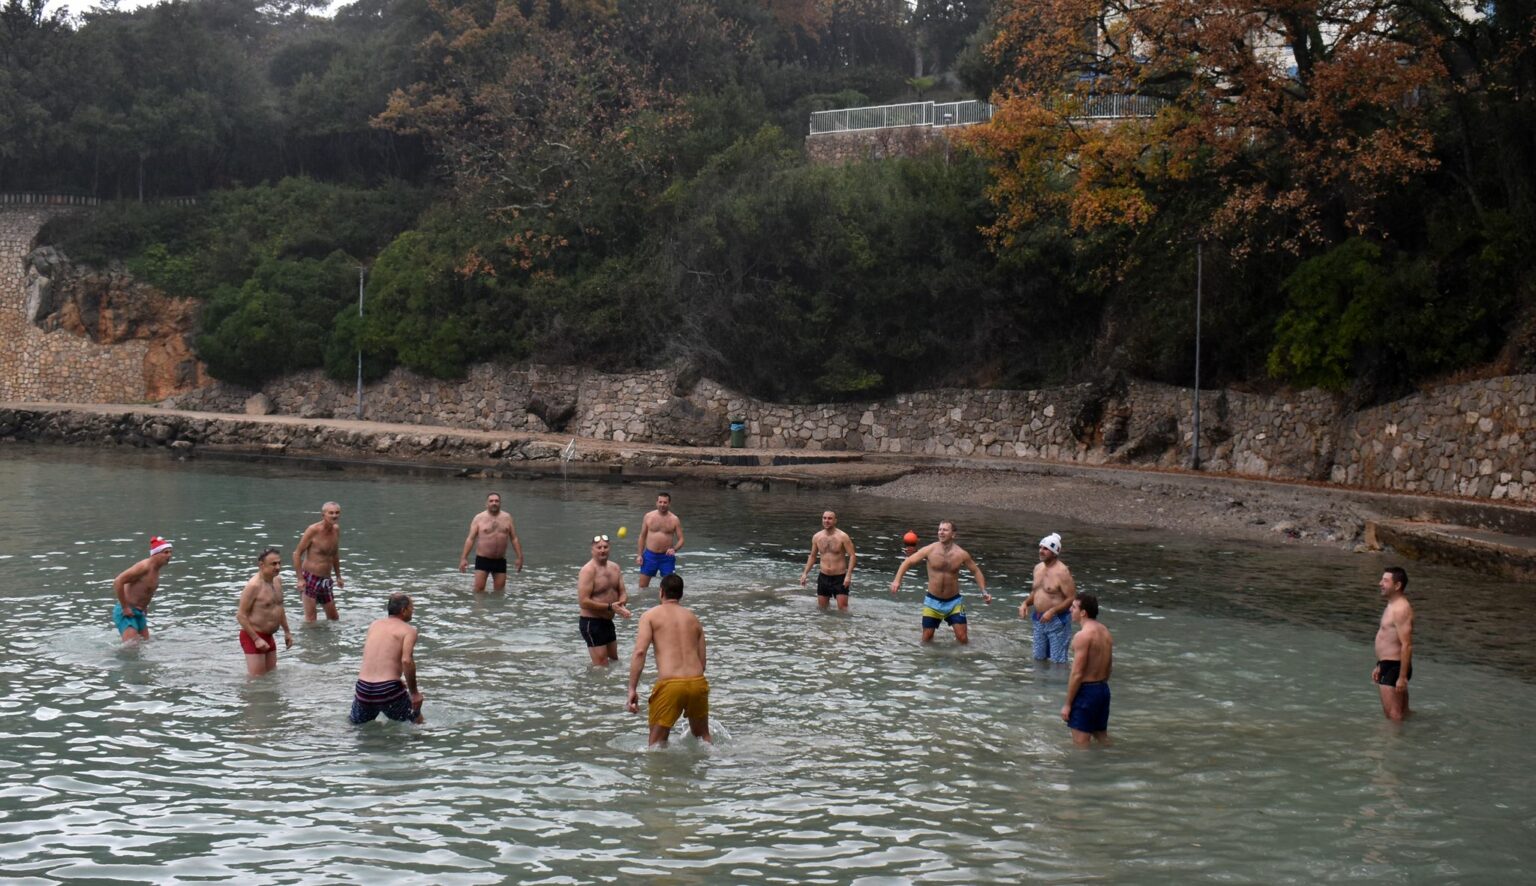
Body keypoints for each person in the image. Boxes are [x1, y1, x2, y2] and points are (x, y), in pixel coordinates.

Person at [626, 574, 710, 746]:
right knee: (703, 738)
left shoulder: (650, 616)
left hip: (671, 684)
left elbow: (640, 652)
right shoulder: (693, 618)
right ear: (681, 594)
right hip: (697, 682)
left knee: (656, 744)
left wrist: (632, 689)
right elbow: (702, 662)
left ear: (661, 592)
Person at [889, 520, 991, 644]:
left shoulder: (961, 554)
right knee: (926, 638)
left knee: (962, 638)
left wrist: (984, 591)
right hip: (932, 601)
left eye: (945, 530)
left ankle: (960, 660)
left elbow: (976, 571)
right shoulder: (930, 550)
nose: (941, 532)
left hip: (954, 602)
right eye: (939, 529)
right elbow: (908, 562)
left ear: (953, 534)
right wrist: (897, 581)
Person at [350, 593, 424, 725]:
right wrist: (414, 693)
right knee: (416, 723)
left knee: (356, 726)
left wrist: (395, 679)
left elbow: (377, 657)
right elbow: (406, 661)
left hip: (363, 688)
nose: (413, 610)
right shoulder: (409, 631)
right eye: (412, 607)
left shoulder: (374, 625)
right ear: (403, 610)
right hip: (388, 690)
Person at [1060, 593, 1113, 746]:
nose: (1070, 610)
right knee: (1102, 737)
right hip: (1103, 689)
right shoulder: (1105, 632)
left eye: (1073, 607)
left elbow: (1077, 673)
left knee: (1081, 744)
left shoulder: (1083, 636)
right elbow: (1109, 667)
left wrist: (1068, 704)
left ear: (1083, 612)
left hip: (1087, 692)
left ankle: (1082, 770)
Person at [1020, 532, 1077, 664]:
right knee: (1038, 659)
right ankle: (1039, 684)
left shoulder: (1062, 572)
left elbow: (1071, 598)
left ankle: (1057, 684)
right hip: (1039, 619)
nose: (1041, 551)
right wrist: (1025, 603)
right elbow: (1037, 592)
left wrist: (1052, 611)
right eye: (1040, 547)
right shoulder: (1037, 568)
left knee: (1058, 661)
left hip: (1057, 620)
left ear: (1054, 552)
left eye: (1046, 549)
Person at [236, 547, 294, 676]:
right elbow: (240, 615)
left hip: (269, 636)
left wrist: (287, 632)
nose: (278, 567)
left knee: (270, 678)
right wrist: (256, 639)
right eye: (273, 564)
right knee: (257, 681)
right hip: (253, 636)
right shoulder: (253, 586)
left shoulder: (277, 580)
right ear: (261, 565)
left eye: (279, 563)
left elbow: (279, 607)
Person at [579, 533, 632, 665]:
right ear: (592, 549)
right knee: (601, 665)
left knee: (614, 660)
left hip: (608, 621)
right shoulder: (588, 570)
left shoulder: (615, 567)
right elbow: (583, 601)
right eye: (599, 547)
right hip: (591, 622)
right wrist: (610, 607)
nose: (602, 550)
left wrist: (622, 605)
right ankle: (594, 685)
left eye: (605, 547)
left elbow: (623, 592)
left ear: (609, 548)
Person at [111, 536, 174, 643]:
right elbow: (118, 581)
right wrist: (125, 607)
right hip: (126, 612)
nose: (169, 555)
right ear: (155, 554)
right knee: (131, 649)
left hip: (139, 613)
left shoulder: (156, 570)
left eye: (170, 552)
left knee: (145, 644)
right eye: (165, 552)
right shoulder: (144, 566)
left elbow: (145, 591)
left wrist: (144, 607)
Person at [458, 492, 525, 592]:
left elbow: (514, 538)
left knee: (499, 592)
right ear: (487, 503)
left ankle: (496, 608)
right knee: (479, 590)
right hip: (483, 559)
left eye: (496, 501)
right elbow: (470, 539)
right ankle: (479, 608)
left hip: (500, 560)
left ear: (500, 503)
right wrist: (464, 558)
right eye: (491, 501)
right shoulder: (479, 518)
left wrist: (519, 557)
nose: (494, 503)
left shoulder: (507, 518)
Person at [1373, 566, 1415, 722]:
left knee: (1393, 716)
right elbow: (1388, 638)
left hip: (1394, 668)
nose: (1380, 583)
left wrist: (1402, 677)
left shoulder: (1401, 609)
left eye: (1385, 580)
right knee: (1403, 714)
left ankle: (1391, 744)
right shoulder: (1391, 605)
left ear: (1397, 585)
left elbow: (1407, 645)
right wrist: (1379, 664)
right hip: (1389, 664)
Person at [294, 501, 345, 622]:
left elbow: (334, 554)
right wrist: (300, 579)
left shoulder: (336, 530)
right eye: (330, 513)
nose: (334, 516)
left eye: (337, 513)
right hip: (310, 578)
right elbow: (296, 554)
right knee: (311, 620)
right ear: (323, 515)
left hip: (326, 579)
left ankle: (330, 641)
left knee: (334, 618)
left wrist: (338, 576)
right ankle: (309, 641)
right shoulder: (313, 530)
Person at [798, 509, 857, 610]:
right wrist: (804, 574)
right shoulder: (817, 537)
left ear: (835, 521)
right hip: (823, 577)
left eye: (830, 518)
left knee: (843, 608)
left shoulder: (843, 537)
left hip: (840, 578)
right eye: (824, 518)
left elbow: (852, 556)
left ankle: (843, 626)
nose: (826, 520)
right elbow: (812, 556)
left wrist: (848, 575)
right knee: (822, 609)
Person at [635, 492, 685, 589]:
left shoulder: (674, 519)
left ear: (669, 504)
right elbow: (642, 536)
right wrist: (639, 555)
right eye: (660, 502)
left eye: (665, 502)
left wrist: (674, 549)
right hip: (650, 555)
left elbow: (681, 539)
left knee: (670, 587)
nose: (662, 504)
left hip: (666, 556)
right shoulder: (648, 516)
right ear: (656, 503)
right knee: (642, 587)